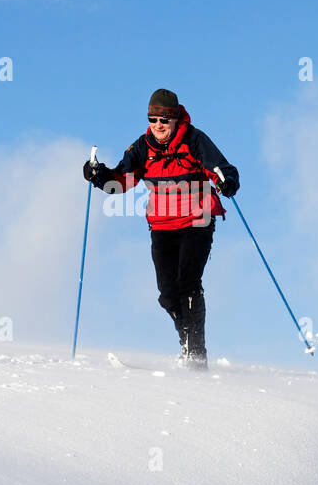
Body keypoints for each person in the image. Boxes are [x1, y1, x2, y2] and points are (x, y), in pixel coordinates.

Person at [83, 89, 239, 369]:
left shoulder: (195, 139)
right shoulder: (142, 148)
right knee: (167, 293)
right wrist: (99, 176)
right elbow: (121, 182)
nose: (158, 125)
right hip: (162, 224)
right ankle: (186, 340)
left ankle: (196, 354)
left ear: (176, 119)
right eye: (153, 119)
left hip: (197, 219)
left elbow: (222, 169)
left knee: (188, 284)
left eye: (164, 119)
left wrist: (226, 181)